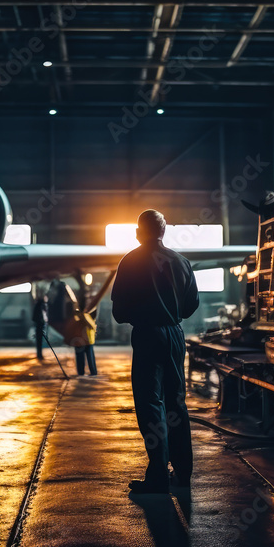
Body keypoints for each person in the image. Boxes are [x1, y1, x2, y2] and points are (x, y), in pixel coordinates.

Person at [111, 210, 199, 495]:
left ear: (139, 233)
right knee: (176, 402)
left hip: (147, 334)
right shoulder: (182, 262)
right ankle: (183, 473)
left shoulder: (130, 262)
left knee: (150, 404)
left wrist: (141, 312)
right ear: (163, 232)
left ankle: (158, 474)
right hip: (174, 334)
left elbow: (119, 312)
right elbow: (190, 306)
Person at [72, 308, 98, 376]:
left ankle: (85, 372)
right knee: (89, 355)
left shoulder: (85, 310)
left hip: (84, 336)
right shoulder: (88, 309)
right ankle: (91, 372)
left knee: (86, 355)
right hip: (83, 336)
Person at [32, 293, 48, 360]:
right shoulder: (40, 306)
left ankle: (39, 354)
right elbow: (35, 317)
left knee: (39, 341)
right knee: (39, 341)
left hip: (39, 325)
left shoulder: (40, 305)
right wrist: (40, 322)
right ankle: (39, 355)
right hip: (39, 326)